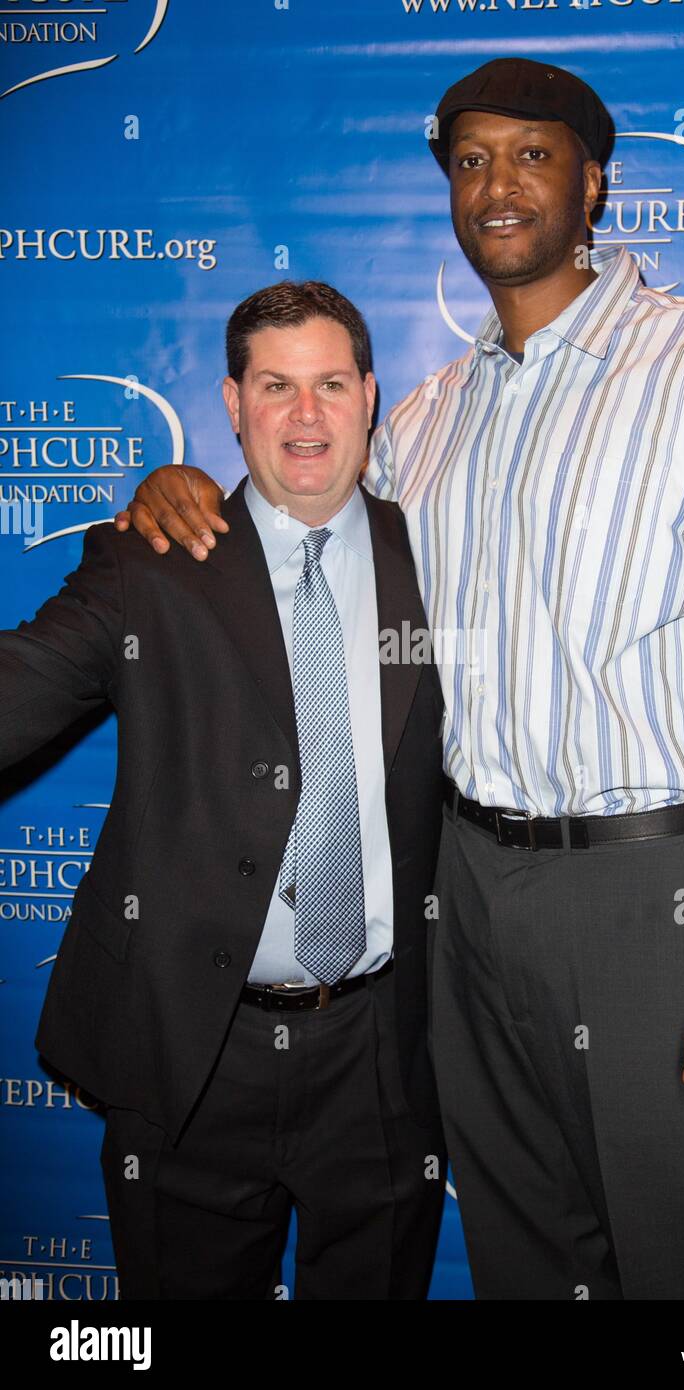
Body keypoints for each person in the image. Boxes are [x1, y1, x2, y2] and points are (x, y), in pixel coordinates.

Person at [115, 58, 684, 1300]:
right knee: (522, 1250)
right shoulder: (430, 419)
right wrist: (177, 490)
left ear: (592, 181)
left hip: (645, 893)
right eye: (468, 161)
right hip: (459, 895)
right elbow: (301, 512)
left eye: (531, 154)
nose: (496, 184)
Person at [0, 281, 446, 1300]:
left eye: (330, 383)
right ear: (232, 403)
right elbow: (19, 686)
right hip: (188, 1047)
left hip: (381, 1047)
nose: (305, 415)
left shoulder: (438, 556)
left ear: (371, 396)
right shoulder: (151, 564)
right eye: (275, 386)